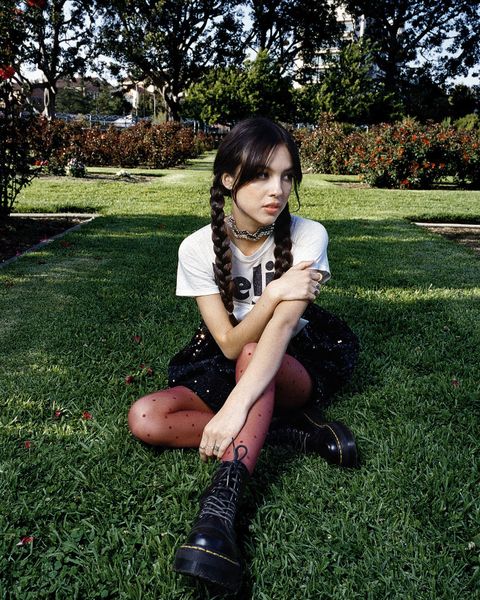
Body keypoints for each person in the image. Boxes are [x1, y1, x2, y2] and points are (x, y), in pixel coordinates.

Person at [128, 117, 360, 594]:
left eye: (287, 176)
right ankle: (285, 430)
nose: (278, 190)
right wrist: (273, 292)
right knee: (145, 417)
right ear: (229, 179)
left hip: (295, 359)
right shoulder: (196, 248)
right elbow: (228, 344)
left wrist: (234, 406)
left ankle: (219, 512)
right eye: (261, 175)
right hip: (230, 357)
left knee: (256, 350)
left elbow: (278, 332)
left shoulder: (309, 235)